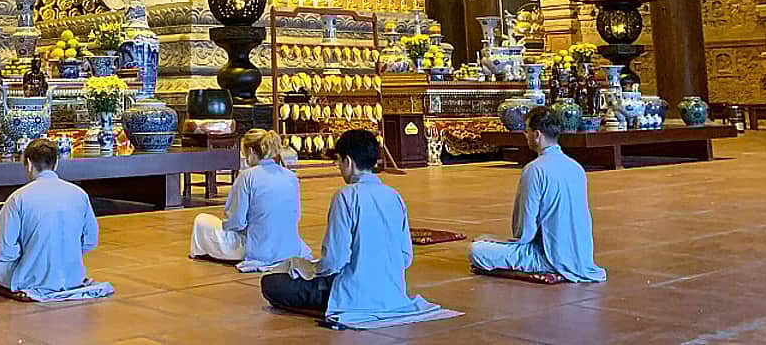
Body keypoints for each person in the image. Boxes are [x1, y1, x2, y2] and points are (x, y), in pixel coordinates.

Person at [260, 130, 454, 329]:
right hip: (393, 294)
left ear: (348, 161)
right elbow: (406, 257)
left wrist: (311, 270)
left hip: (352, 295)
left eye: (338, 161)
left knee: (272, 283)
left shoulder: (345, 197)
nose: (338, 167)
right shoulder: (394, 196)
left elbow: (334, 262)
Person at [469, 106, 607, 282]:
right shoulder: (576, 167)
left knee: (477, 250)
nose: (526, 136)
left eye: (527, 131)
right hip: (581, 256)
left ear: (537, 135)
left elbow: (525, 231)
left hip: (550, 258)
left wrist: (495, 241)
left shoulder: (534, 169)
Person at [0, 138, 99, 294]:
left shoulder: (18, 198)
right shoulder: (79, 194)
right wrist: (63, 251)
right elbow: (91, 241)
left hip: (29, 277)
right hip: (72, 276)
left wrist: (31, 255)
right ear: (56, 164)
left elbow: (6, 252)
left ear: (28, 163)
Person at [190, 129, 311, 270]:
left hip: (258, 248)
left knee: (201, 220)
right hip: (289, 246)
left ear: (252, 152)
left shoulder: (247, 176)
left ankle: (200, 252)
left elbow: (236, 222)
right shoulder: (291, 176)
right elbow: (296, 216)